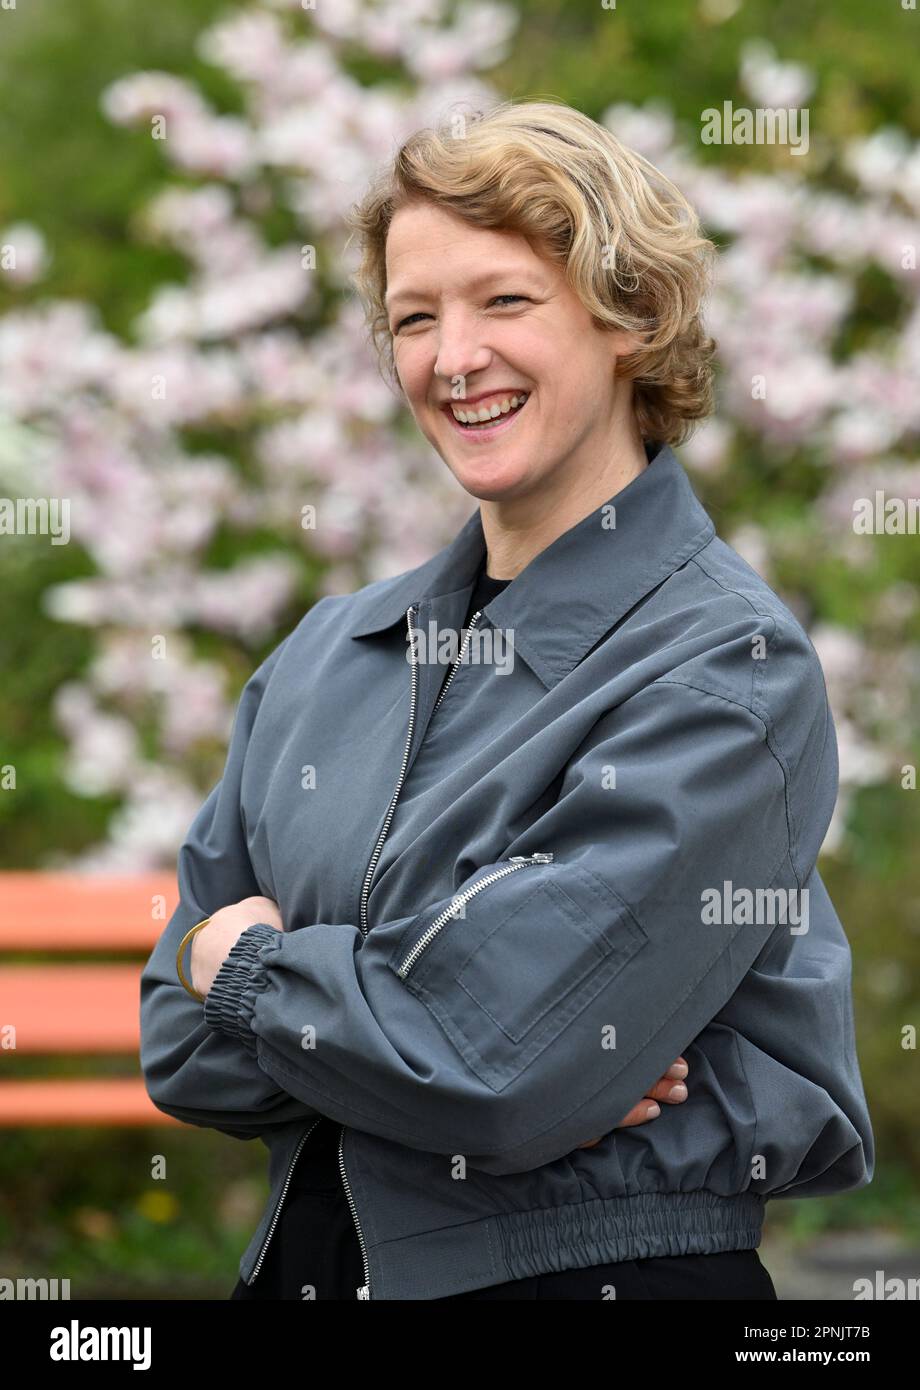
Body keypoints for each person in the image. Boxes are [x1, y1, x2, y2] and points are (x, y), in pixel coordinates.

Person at [140, 99, 873, 1301]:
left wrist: (247, 965)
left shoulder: (722, 668)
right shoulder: (331, 651)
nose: (451, 356)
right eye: (412, 318)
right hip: (304, 1273)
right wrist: (400, 1032)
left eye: (504, 302)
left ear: (627, 316)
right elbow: (178, 1049)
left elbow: (490, 1069)